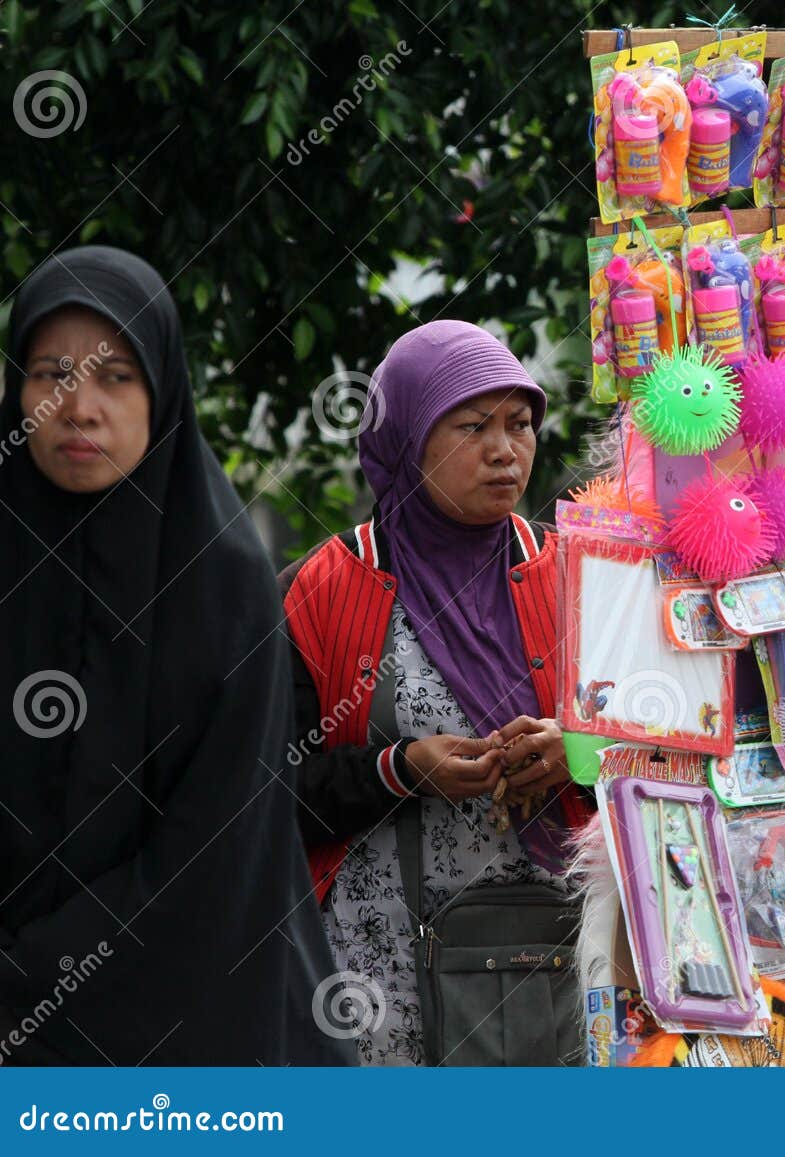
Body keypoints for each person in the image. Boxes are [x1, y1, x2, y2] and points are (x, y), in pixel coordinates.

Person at [0, 246, 352, 1065]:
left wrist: (29, 976)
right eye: (51, 372)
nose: (78, 406)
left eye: (115, 376)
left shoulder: (220, 584)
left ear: (162, 390)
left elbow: (214, 849)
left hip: (186, 1023)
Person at [280, 320, 590, 1065]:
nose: (503, 448)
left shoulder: (577, 578)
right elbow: (261, 788)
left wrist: (578, 751)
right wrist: (399, 769)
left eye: (520, 424)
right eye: (472, 424)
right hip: (376, 981)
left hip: (548, 968)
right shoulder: (325, 589)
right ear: (408, 437)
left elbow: (667, 747)